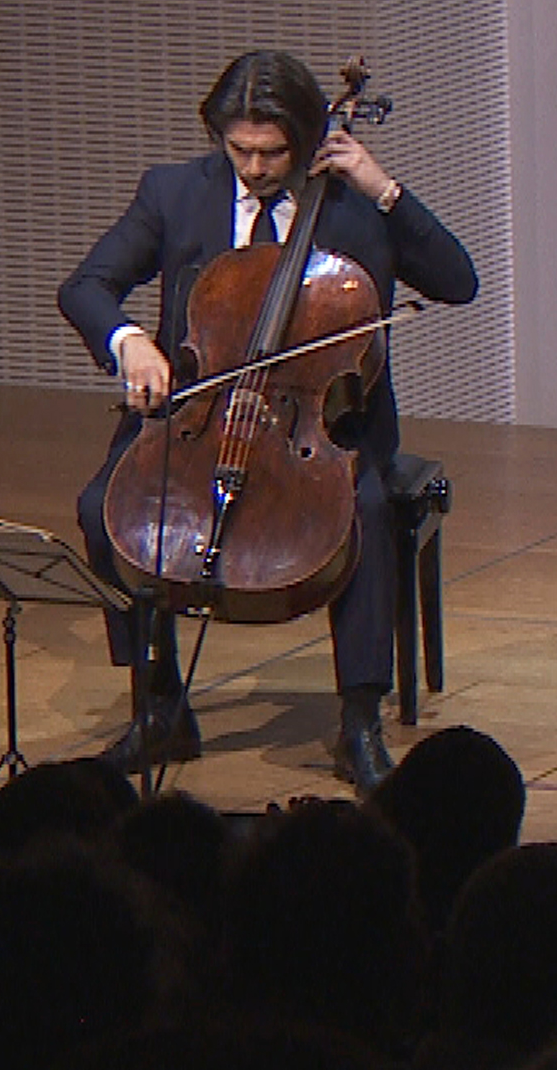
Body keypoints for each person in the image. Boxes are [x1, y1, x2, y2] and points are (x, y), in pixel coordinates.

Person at [59, 49, 479, 794]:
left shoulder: (352, 207)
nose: (253, 169)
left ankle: (358, 722)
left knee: (366, 510)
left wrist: (385, 190)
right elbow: (88, 285)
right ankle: (160, 701)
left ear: (309, 136)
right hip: (196, 417)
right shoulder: (174, 192)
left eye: (272, 152)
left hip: (319, 428)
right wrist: (133, 346)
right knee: (100, 508)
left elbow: (457, 282)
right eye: (240, 150)